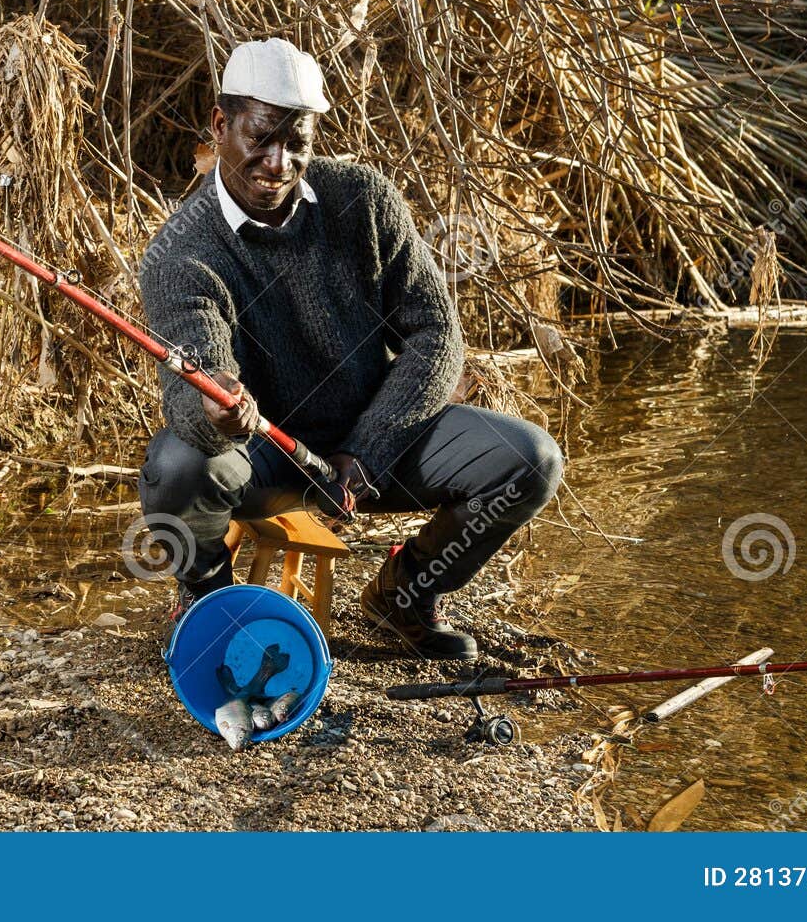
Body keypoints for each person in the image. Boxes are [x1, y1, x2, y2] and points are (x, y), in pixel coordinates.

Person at [136, 38, 563, 660]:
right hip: (264, 460)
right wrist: (216, 408)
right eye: (260, 138)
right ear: (220, 126)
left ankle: (405, 593)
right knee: (178, 466)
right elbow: (190, 382)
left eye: (297, 143)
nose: (278, 163)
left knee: (530, 460)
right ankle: (207, 601)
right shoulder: (180, 251)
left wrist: (364, 454)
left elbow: (435, 334)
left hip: (375, 446)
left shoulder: (362, 199)